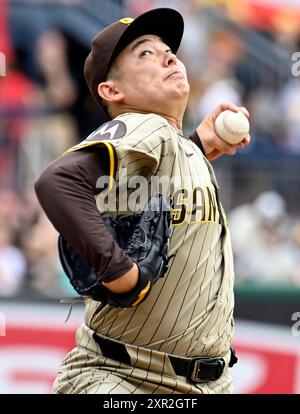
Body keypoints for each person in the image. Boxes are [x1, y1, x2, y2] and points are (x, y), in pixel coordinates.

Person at [35, 8, 250, 394]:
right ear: (112, 91)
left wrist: (196, 149)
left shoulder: (171, 146)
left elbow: (160, 194)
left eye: (168, 49)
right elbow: (58, 181)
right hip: (123, 379)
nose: (169, 55)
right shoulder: (145, 125)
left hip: (194, 384)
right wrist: (120, 272)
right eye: (145, 53)